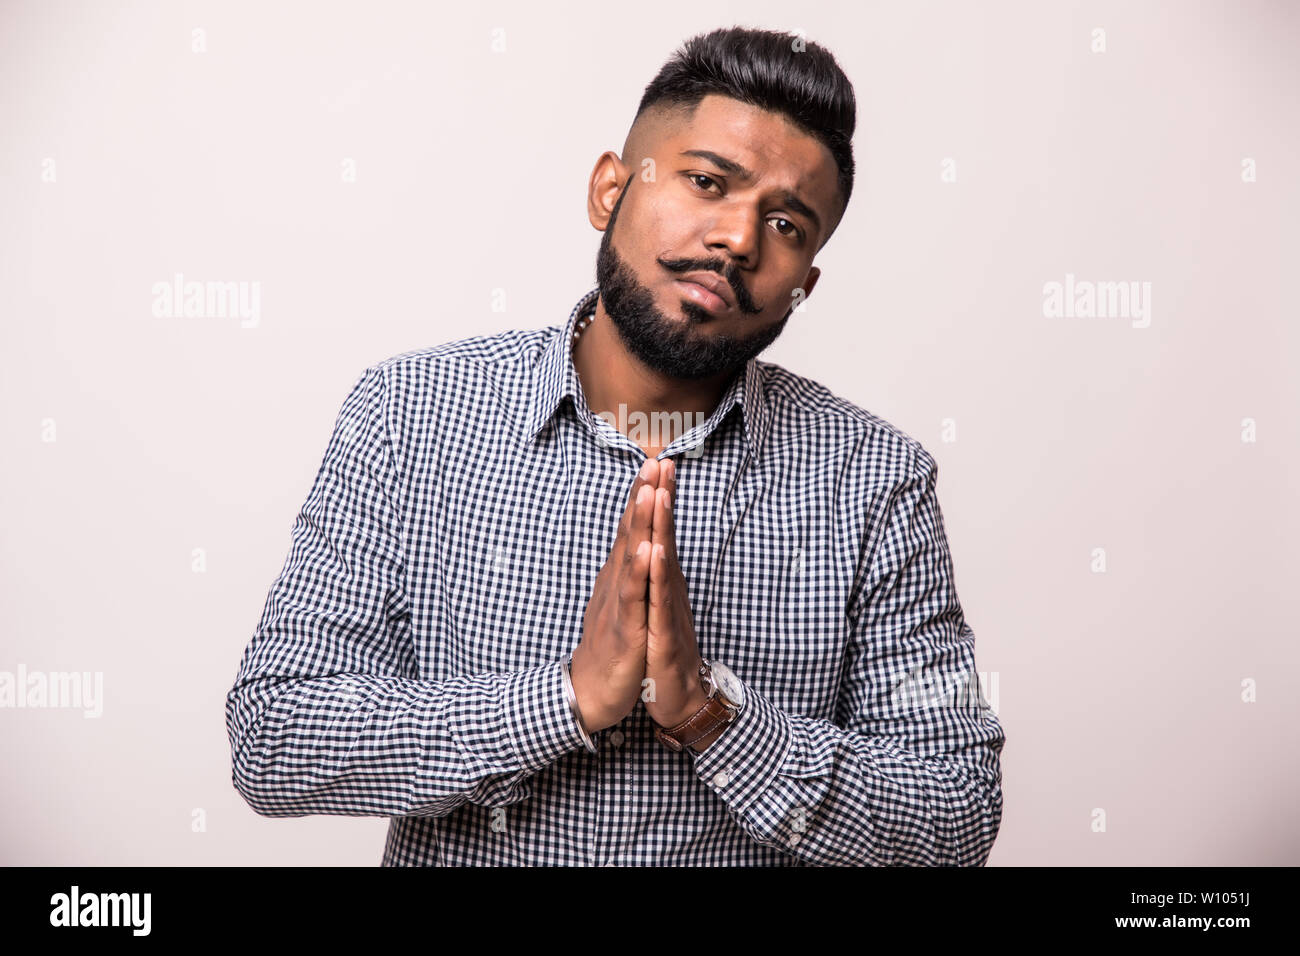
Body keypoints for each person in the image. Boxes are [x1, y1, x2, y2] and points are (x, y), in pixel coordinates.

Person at [225, 25, 1005, 866]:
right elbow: (275, 736)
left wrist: (713, 718)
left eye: (786, 225)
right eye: (708, 182)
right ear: (610, 189)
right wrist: (561, 702)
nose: (740, 239)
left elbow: (956, 814)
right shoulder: (411, 414)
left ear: (805, 282)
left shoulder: (875, 481)